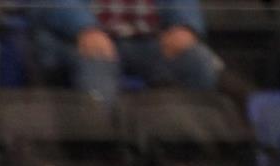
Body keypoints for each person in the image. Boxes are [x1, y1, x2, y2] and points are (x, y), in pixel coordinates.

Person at [29, 0, 220, 109]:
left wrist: (185, 26)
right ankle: (103, 156)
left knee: (196, 59)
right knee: (97, 65)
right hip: (75, 38)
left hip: (148, 39)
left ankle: (200, 156)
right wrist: (85, 28)